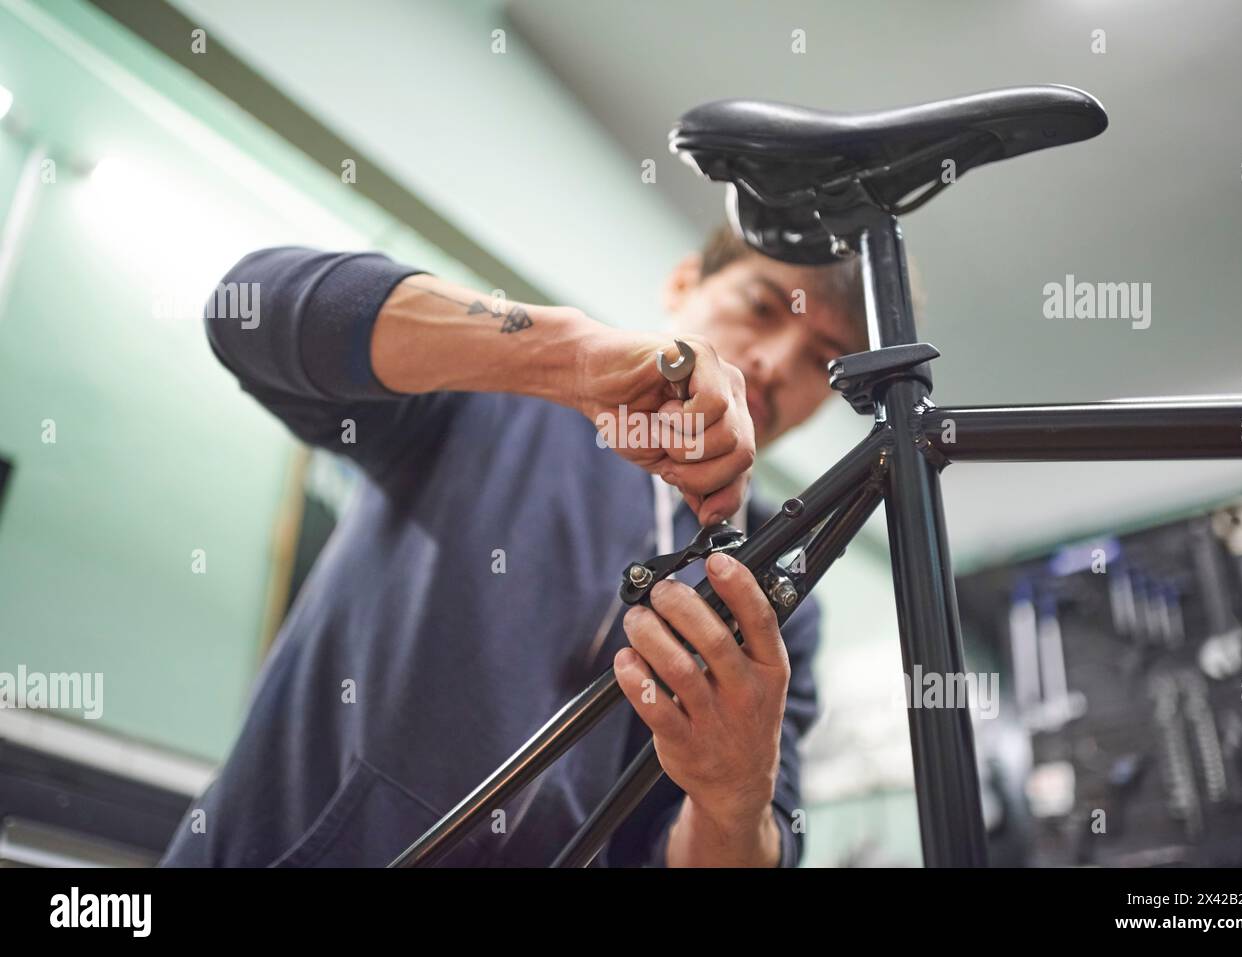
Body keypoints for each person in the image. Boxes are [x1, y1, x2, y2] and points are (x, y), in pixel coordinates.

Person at [160, 225, 867, 867]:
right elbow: (247, 306)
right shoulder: (496, 396)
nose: (776, 363)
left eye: (820, 360)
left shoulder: (778, 598)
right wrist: (567, 356)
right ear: (684, 283)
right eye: (763, 308)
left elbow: (724, 849)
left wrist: (733, 800)